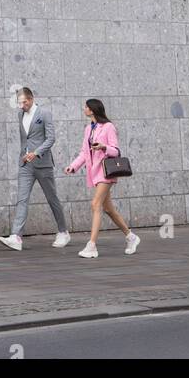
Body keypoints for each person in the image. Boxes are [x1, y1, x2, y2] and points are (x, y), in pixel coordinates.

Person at [65, 99, 140, 259]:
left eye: (86, 106)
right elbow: (84, 153)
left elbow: (116, 150)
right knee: (108, 209)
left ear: (92, 110)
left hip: (106, 172)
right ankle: (131, 237)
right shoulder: (88, 129)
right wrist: (73, 166)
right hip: (95, 173)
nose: (84, 109)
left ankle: (91, 246)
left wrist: (104, 147)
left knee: (95, 204)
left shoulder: (108, 127)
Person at [0, 88, 71, 252]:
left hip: (42, 163)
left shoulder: (44, 113)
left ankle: (63, 232)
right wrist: (25, 155)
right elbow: (25, 139)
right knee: (22, 199)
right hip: (25, 164)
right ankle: (16, 237)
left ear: (31, 99)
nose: (21, 105)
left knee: (52, 198)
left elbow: (51, 138)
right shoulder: (20, 114)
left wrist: (36, 153)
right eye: (19, 102)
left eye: (24, 102)